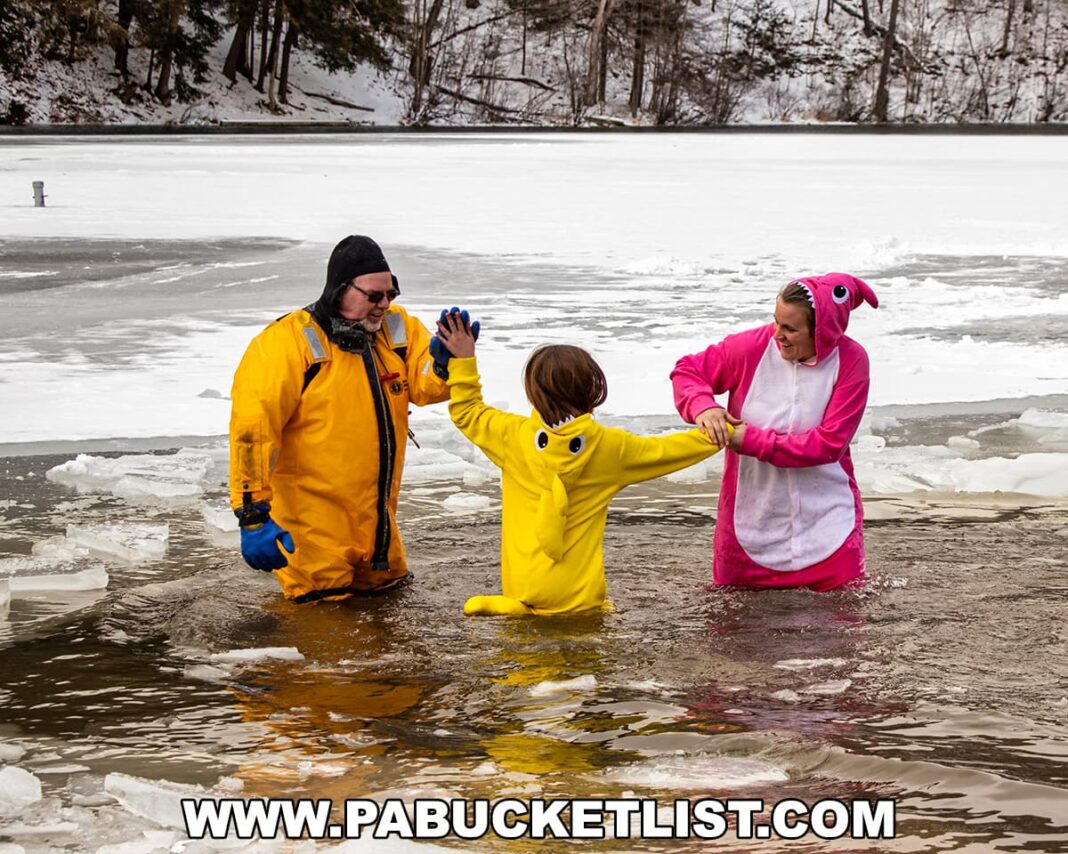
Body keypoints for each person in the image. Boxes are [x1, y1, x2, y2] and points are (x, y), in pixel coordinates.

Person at [228, 235, 475, 602]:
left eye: (391, 294)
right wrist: (252, 513)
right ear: (340, 288)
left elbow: (426, 388)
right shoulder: (285, 343)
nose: (384, 305)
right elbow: (253, 431)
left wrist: (443, 363)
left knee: (391, 614)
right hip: (312, 531)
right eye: (373, 296)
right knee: (323, 635)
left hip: (377, 526)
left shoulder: (397, 328)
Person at [436, 312, 729, 616]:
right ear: (592, 390)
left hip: (522, 593)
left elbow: (467, 411)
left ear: (533, 392)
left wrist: (463, 360)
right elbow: (667, 449)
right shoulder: (610, 448)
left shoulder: (512, 437)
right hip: (582, 601)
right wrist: (727, 431)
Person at [671, 272, 878, 592]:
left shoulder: (851, 360)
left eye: (790, 328)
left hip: (829, 529)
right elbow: (688, 371)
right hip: (748, 530)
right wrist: (704, 407)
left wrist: (745, 439)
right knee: (736, 635)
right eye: (776, 322)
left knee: (841, 634)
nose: (777, 335)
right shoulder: (749, 348)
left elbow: (828, 444)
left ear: (822, 331)